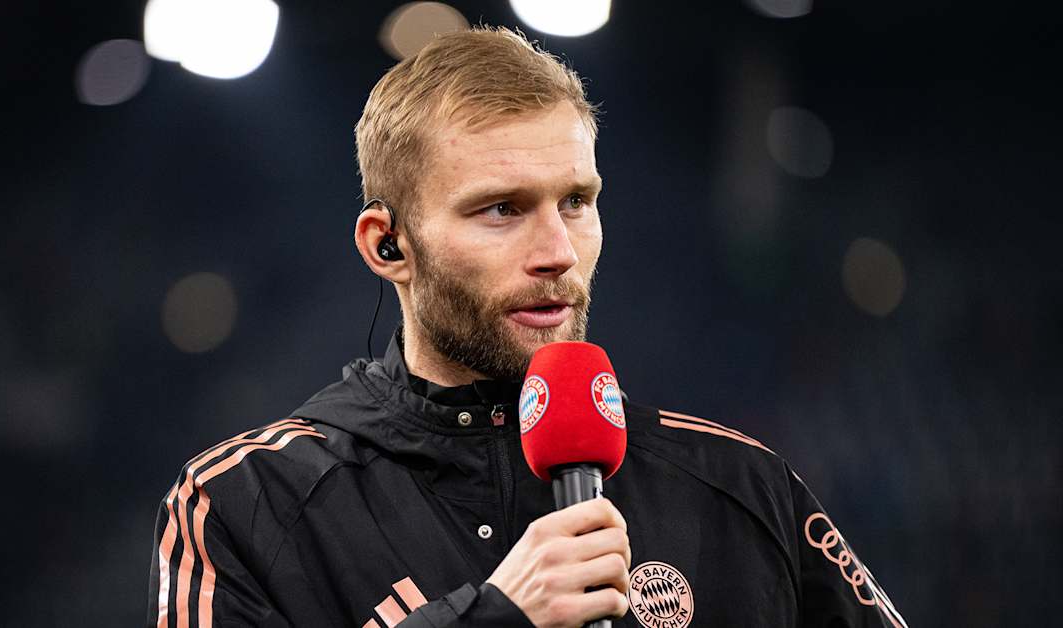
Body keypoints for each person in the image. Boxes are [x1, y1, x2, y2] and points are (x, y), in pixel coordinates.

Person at [148, 26, 906, 628]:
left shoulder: (741, 487)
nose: (557, 252)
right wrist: (495, 619)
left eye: (576, 201)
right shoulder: (246, 504)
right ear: (388, 244)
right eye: (502, 208)